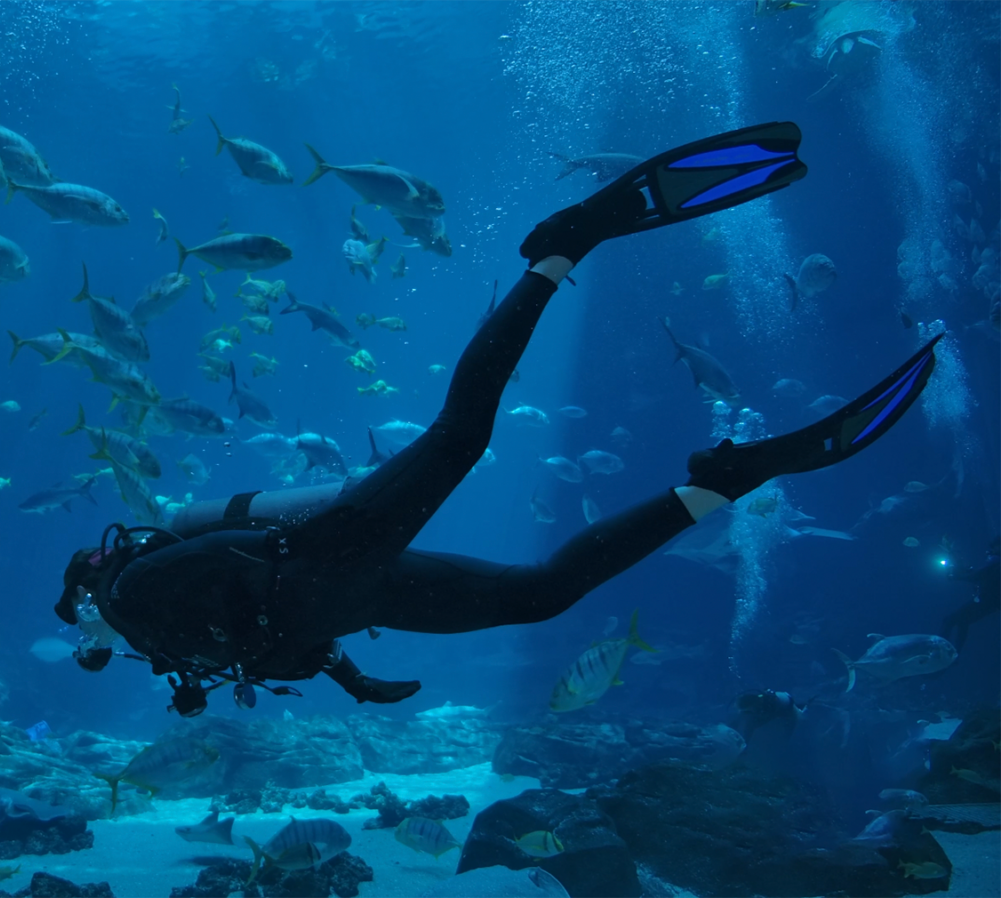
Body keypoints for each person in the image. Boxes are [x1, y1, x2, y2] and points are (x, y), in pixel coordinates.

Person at [54, 122, 944, 717]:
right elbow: (284, 643)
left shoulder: (136, 596)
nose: (90, 641)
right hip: (355, 593)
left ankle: (563, 245)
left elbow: (213, 558)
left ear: (94, 592)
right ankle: (721, 485)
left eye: (82, 624)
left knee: (461, 435)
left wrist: (317, 543)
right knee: (539, 596)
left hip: (325, 553)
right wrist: (356, 679)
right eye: (88, 641)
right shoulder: (172, 650)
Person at [940, 535, 1001, 650]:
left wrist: (956, 576)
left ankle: (942, 653)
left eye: (996, 547)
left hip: (986, 601)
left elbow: (977, 576)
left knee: (948, 620)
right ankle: (955, 654)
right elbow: (982, 575)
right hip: (990, 603)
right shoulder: (996, 562)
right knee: (963, 621)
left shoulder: (996, 561)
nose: (992, 550)